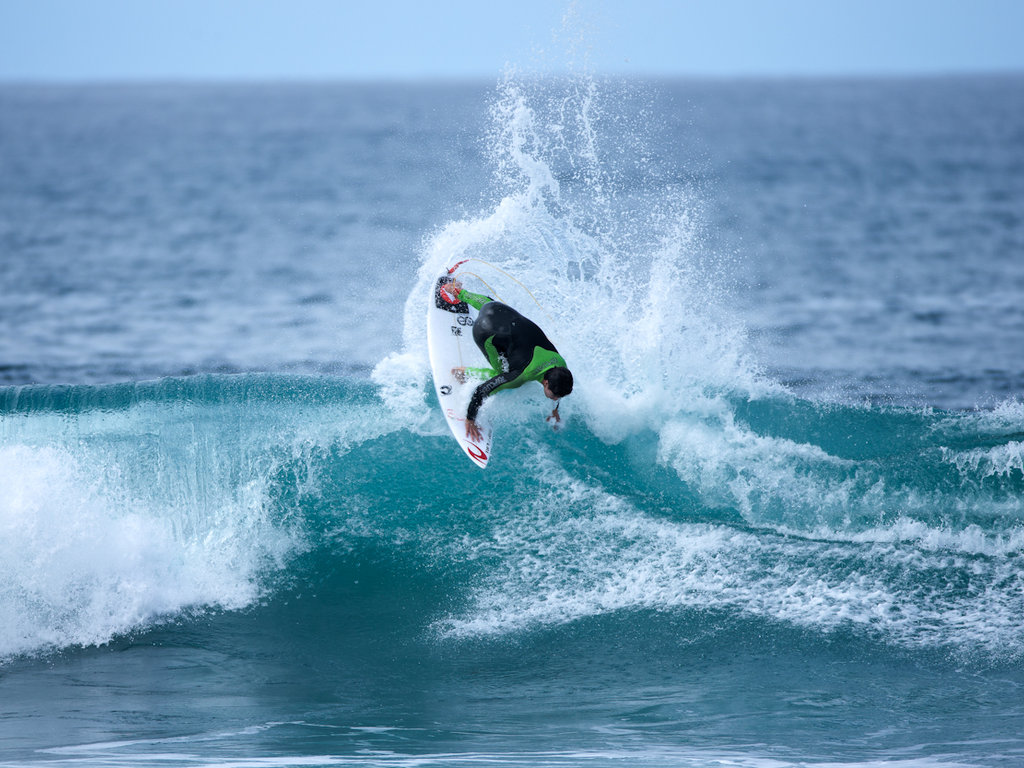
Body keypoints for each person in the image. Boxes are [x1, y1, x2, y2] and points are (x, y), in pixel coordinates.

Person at [440, 278, 573, 441]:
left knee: (490, 308)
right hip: (484, 330)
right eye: (554, 396)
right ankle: (462, 373)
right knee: (500, 374)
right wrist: (470, 420)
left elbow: (558, 385)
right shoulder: (521, 376)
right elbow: (481, 391)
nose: (555, 398)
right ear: (545, 383)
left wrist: (555, 411)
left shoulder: (560, 364)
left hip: (496, 308)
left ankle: (457, 291)